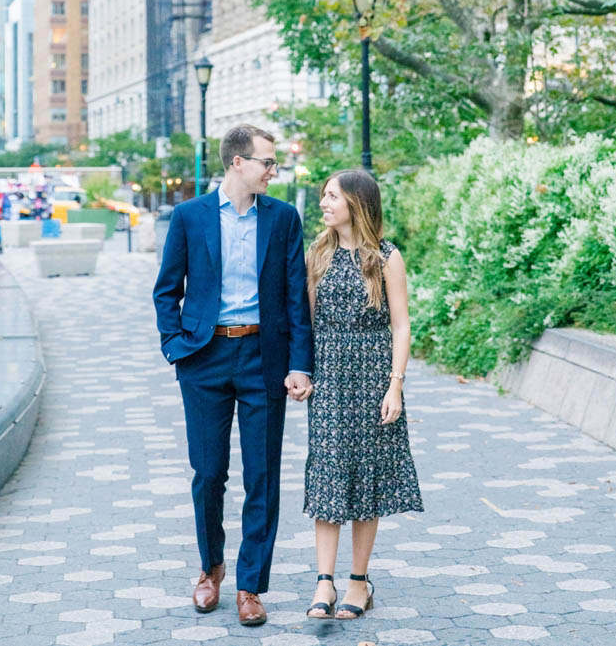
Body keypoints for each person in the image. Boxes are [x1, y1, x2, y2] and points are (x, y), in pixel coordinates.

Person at [151, 123, 314, 628]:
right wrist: (177, 348)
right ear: (237, 162)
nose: (274, 170)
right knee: (208, 473)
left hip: (264, 358)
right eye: (268, 162)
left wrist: (299, 362)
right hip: (204, 359)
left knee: (262, 475)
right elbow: (165, 290)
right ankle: (210, 568)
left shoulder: (284, 218)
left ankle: (250, 586)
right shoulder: (189, 216)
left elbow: (295, 297)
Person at [302, 168, 423, 620]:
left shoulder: (385, 257)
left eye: (332, 196)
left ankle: (358, 581)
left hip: (374, 378)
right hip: (331, 379)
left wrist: (396, 385)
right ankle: (324, 581)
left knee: (365, 477)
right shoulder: (317, 253)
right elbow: (307, 322)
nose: (324, 203)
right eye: (323, 196)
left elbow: (401, 324)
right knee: (329, 472)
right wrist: (303, 372)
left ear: (357, 201)